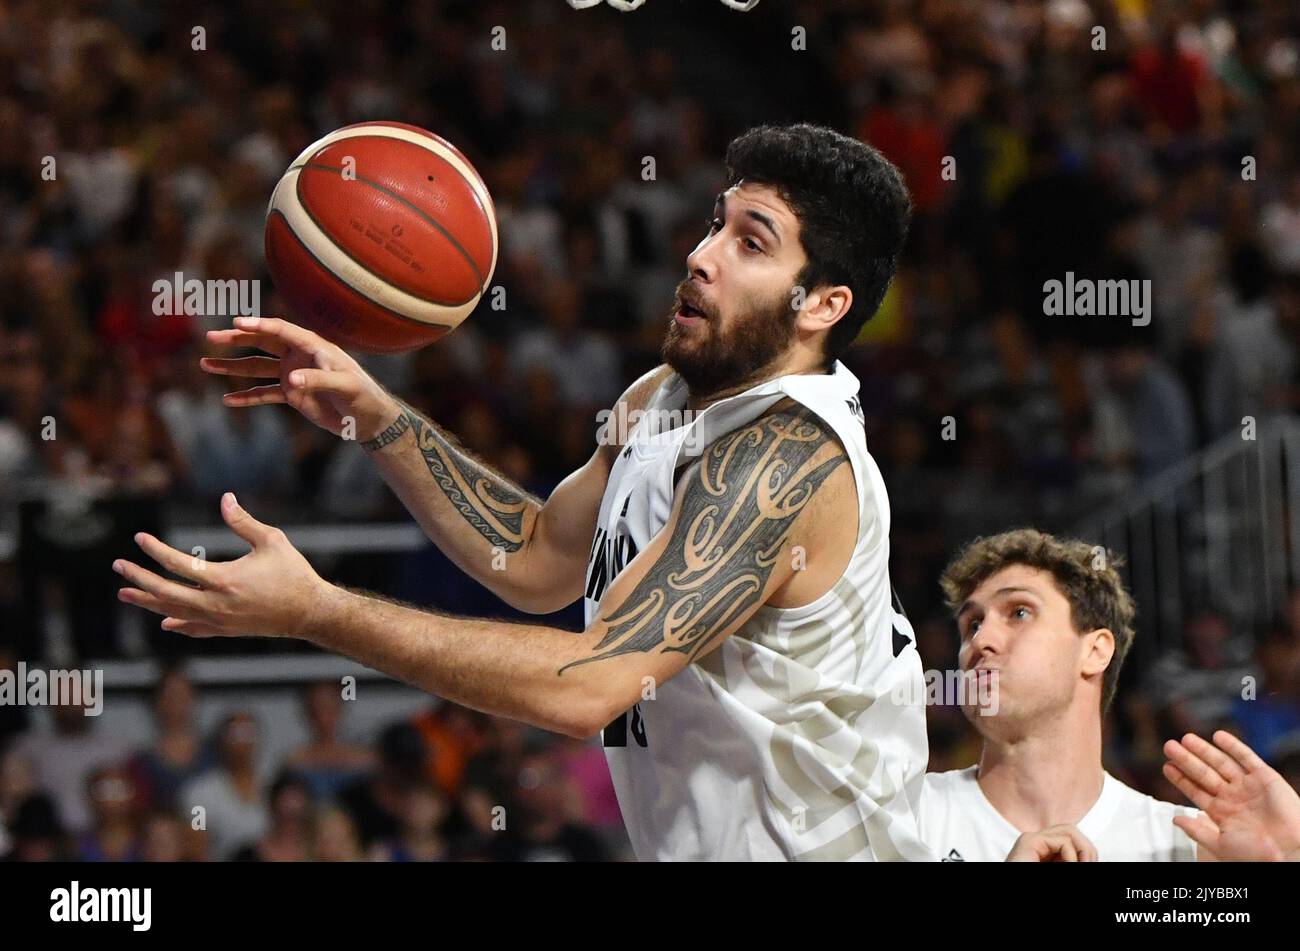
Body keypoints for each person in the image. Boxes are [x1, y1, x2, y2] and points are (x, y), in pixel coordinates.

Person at [113, 123, 928, 861]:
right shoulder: (661, 398)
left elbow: (587, 683)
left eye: (751, 243)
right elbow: (538, 557)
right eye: (716, 222)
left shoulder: (786, 456)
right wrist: (379, 419)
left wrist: (317, 611)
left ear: (823, 304)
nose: (701, 253)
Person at [921, 528, 1300, 862]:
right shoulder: (901, 815)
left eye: (1019, 612)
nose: (981, 641)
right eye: (972, 624)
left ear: (1095, 651)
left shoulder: (1188, 845)